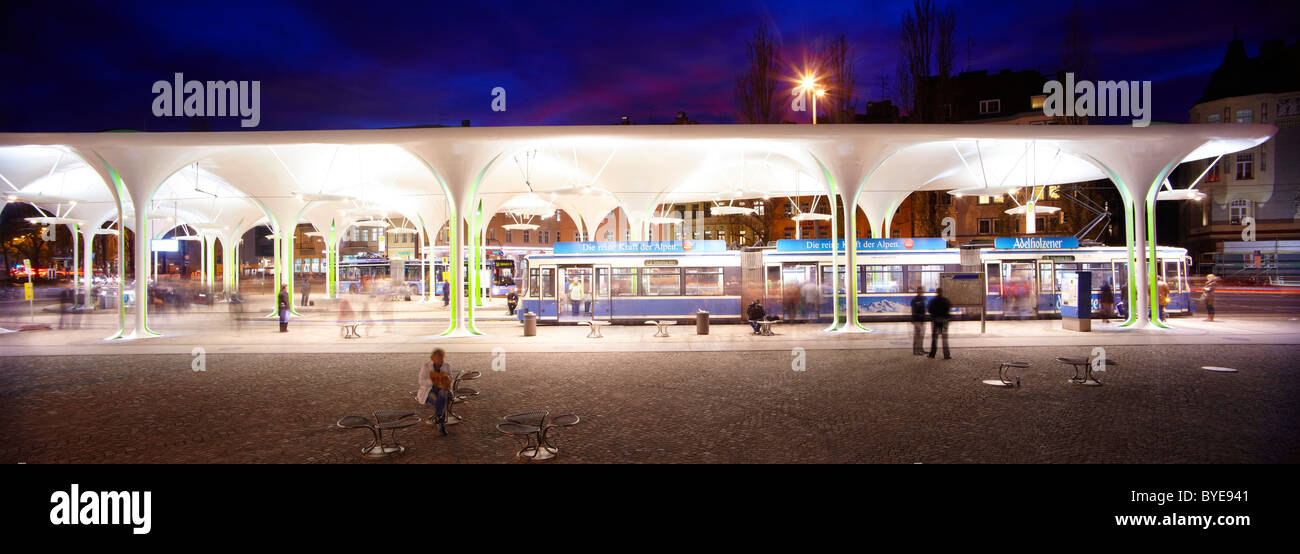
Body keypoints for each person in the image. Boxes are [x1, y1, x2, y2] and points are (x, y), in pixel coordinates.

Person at [417, 348, 453, 436]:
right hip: (428, 390)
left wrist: (446, 380)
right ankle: (441, 424)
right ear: (433, 358)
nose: (440, 360)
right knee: (439, 401)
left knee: (443, 395)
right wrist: (433, 380)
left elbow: (451, 379)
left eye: (441, 358)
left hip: (443, 389)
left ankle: (438, 418)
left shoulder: (447, 366)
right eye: (438, 358)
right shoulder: (426, 366)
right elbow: (421, 381)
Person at [927, 287, 952, 360]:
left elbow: (929, 310)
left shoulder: (933, 301)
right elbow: (948, 309)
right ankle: (946, 355)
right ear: (942, 292)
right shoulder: (946, 300)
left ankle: (932, 354)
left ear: (936, 292)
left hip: (936, 322)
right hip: (944, 322)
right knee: (944, 339)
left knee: (935, 339)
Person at [910, 286, 927, 355]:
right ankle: (916, 350)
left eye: (922, 291)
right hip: (917, 320)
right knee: (917, 335)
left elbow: (924, 310)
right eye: (920, 291)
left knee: (921, 335)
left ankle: (921, 349)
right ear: (918, 291)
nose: (921, 292)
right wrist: (914, 319)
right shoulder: (915, 300)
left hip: (922, 320)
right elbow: (913, 311)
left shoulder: (923, 299)